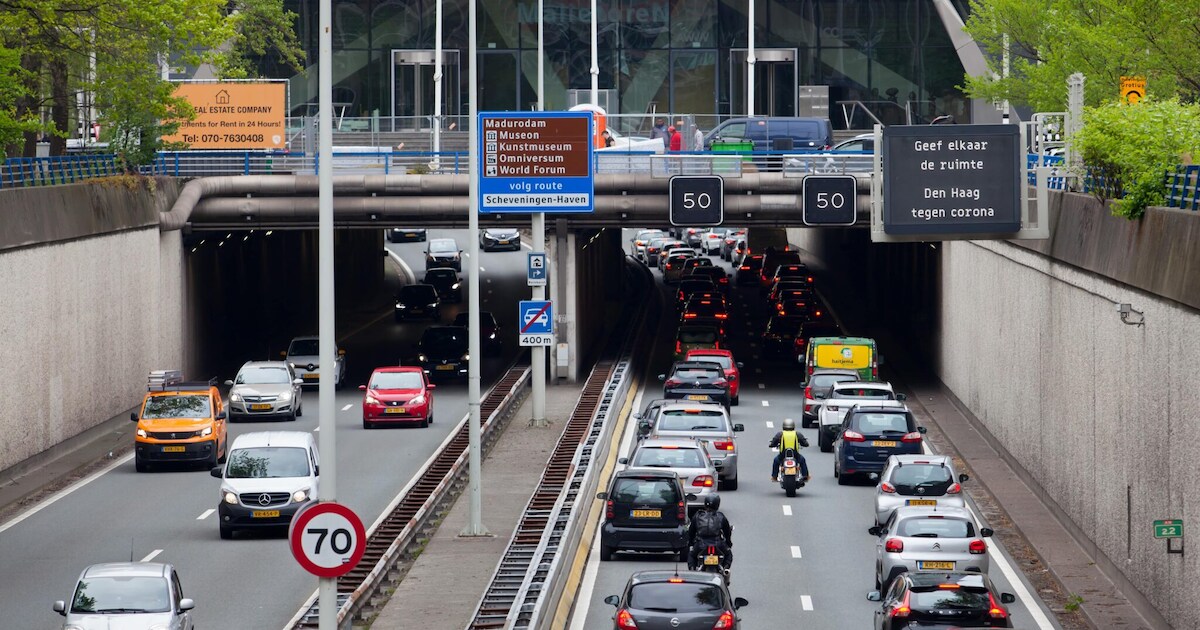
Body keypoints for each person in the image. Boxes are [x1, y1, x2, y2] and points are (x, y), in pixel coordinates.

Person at [688, 494, 733, 571]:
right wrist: (728, 543)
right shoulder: (721, 516)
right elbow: (727, 531)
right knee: (728, 554)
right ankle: (725, 570)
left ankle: (692, 571)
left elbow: (691, 531)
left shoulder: (698, 515)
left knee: (691, 555)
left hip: (701, 545)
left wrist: (691, 543)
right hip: (718, 545)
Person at [769, 418, 810, 482]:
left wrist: (771, 445)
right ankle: (805, 476)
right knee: (802, 461)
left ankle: (774, 477)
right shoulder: (797, 434)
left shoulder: (780, 434)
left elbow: (773, 443)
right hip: (795, 455)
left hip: (783, 455)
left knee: (776, 461)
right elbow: (805, 444)